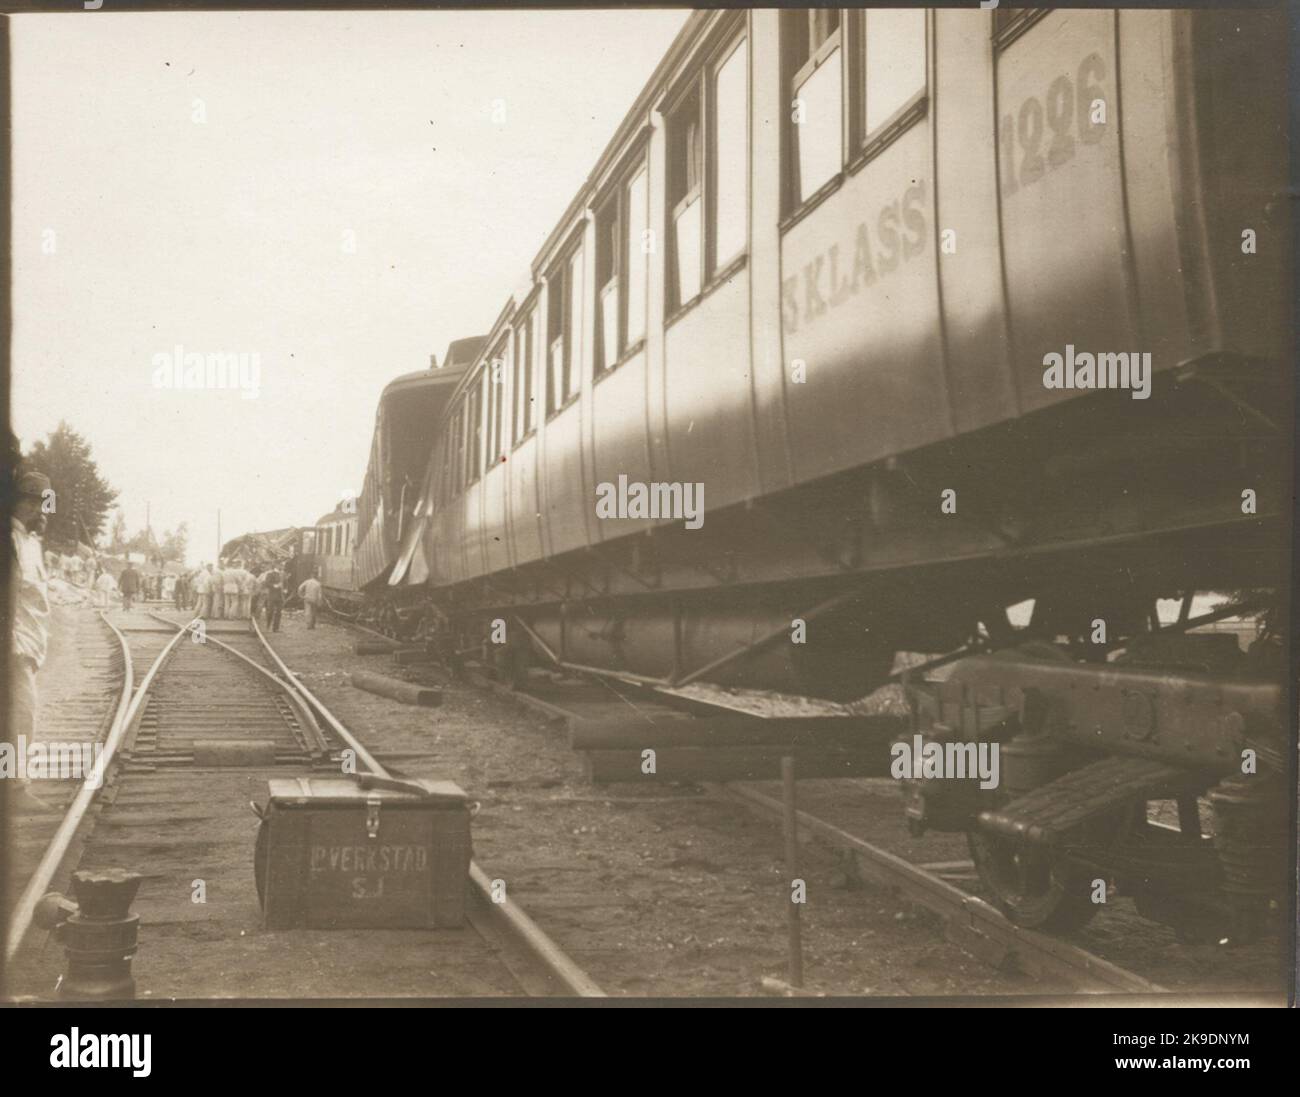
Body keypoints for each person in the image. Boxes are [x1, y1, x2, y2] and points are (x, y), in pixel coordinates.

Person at [9, 470, 57, 812]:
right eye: (41, 508)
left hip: (28, 643)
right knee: (21, 715)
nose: (44, 516)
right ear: (26, 503)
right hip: (13, 644)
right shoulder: (10, 540)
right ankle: (14, 789)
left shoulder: (30, 543)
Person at [260, 564, 286, 633]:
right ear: (277, 566)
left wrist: (285, 589)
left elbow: (285, 583)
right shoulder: (270, 574)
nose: (283, 566)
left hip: (280, 596)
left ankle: (276, 628)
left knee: (279, 612)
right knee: (270, 611)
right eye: (282, 565)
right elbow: (266, 583)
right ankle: (268, 626)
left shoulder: (282, 574)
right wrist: (275, 586)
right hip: (272, 595)